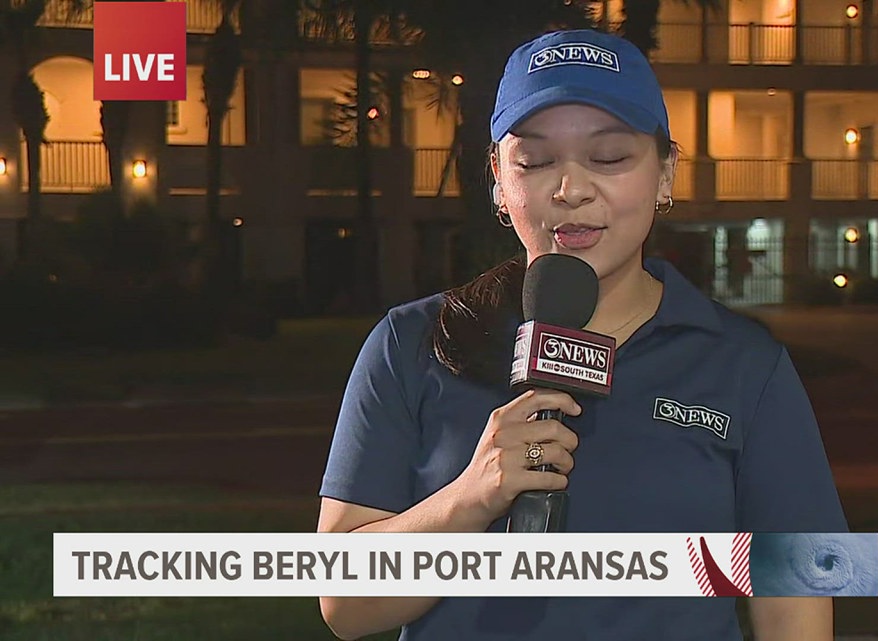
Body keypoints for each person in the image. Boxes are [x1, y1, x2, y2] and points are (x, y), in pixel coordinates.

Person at [317, 29, 848, 641]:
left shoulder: (743, 366)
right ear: (498, 179)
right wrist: (469, 498)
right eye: (535, 161)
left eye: (610, 157)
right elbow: (346, 606)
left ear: (665, 173)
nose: (570, 190)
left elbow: (797, 600)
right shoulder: (413, 343)